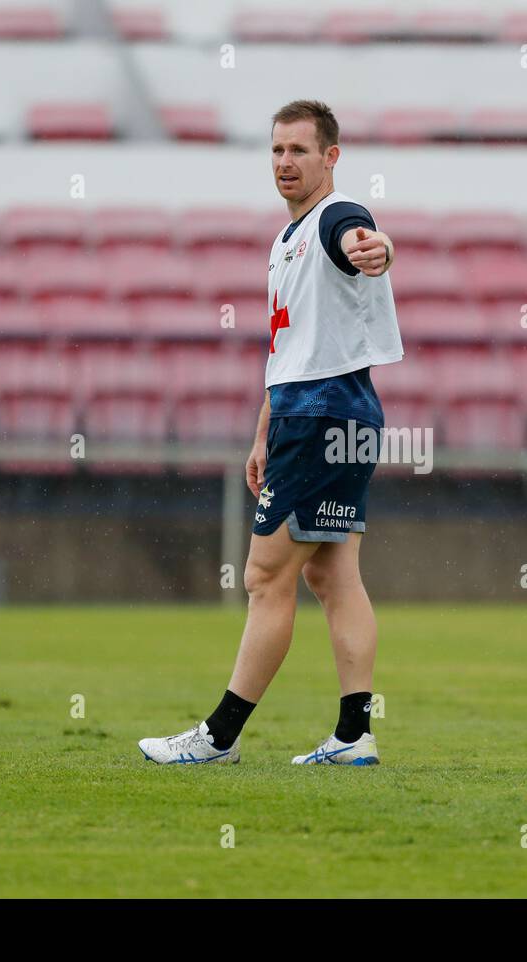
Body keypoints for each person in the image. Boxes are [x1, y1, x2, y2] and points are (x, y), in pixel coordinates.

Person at [139, 99, 403, 766]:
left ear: (330, 157)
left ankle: (219, 735)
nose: (285, 162)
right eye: (277, 150)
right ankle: (353, 734)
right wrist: (263, 432)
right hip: (330, 410)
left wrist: (377, 248)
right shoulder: (286, 239)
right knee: (334, 574)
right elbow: (292, 347)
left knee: (264, 576)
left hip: (319, 416)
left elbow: (362, 237)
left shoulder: (336, 219)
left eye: (300, 151)